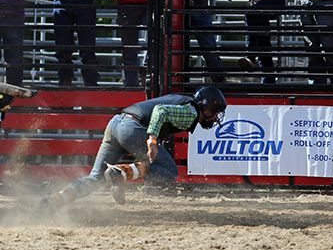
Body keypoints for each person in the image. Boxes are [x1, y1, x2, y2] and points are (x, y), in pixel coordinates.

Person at [45, 85, 226, 206]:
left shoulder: (184, 103)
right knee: (169, 170)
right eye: (215, 112)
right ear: (207, 106)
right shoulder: (191, 112)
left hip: (117, 123)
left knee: (95, 178)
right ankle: (120, 173)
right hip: (131, 128)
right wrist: (153, 139)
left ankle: (53, 202)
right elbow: (160, 111)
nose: (216, 117)